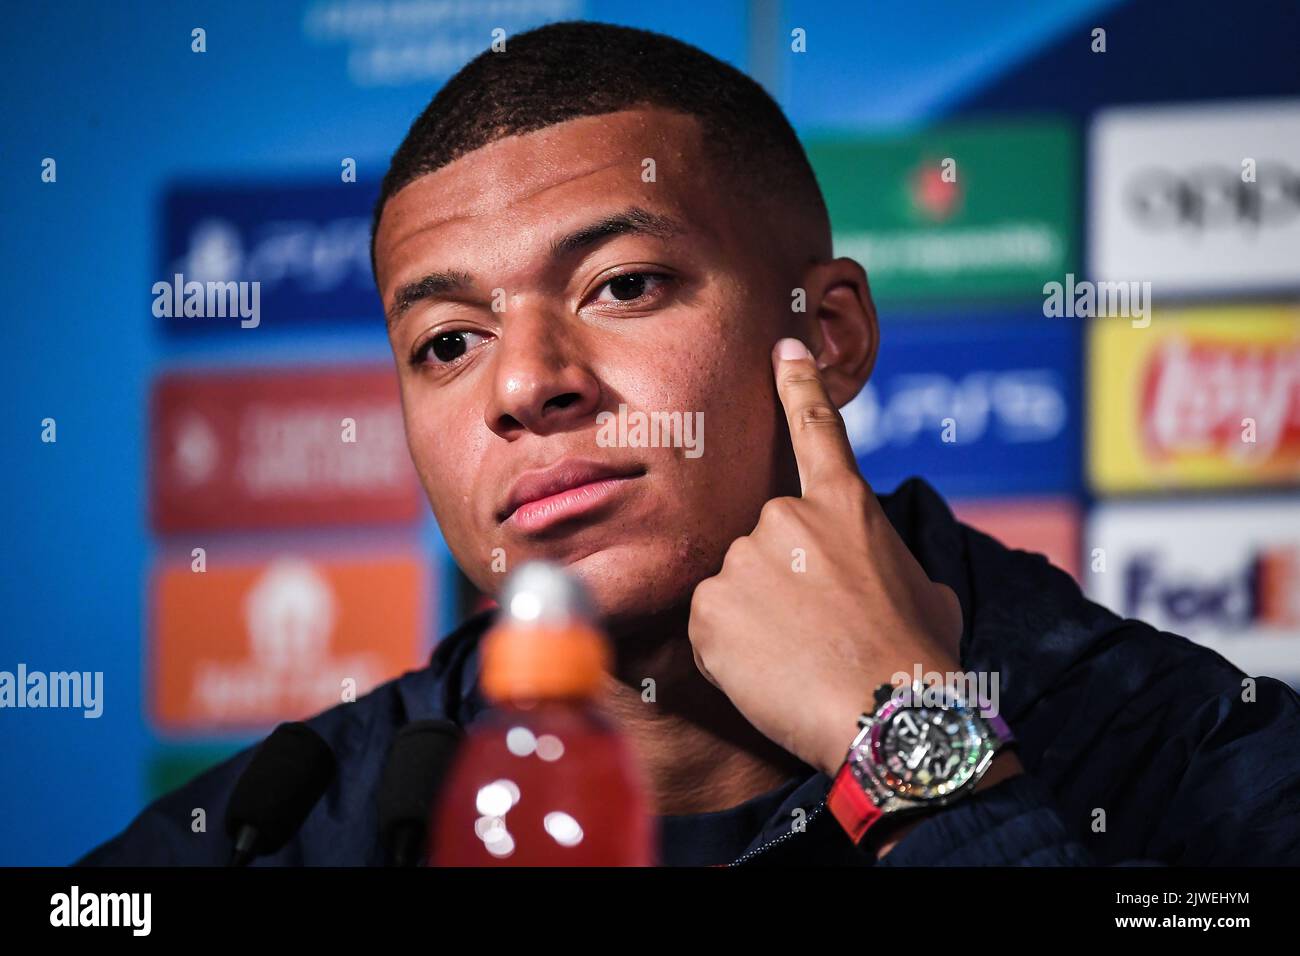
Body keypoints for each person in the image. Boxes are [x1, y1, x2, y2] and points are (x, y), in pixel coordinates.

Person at [79, 21, 1300, 866]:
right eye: (447, 343)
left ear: (826, 337)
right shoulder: (283, 826)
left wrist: (916, 734)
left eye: (623, 284)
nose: (525, 383)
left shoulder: (1195, 759)